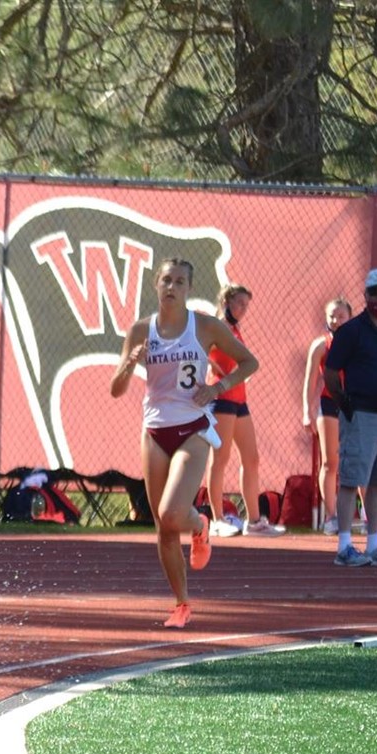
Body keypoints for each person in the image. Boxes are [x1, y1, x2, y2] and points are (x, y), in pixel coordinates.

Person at [110, 258, 260, 627]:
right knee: (162, 528)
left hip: (193, 427)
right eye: (166, 280)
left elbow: (249, 363)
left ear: (189, 288)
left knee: (172, 512)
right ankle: (181, 604)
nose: (172, 287)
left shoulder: (205, 326)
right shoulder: (142, 330)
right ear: (156, 285)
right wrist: (130, 362)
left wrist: (218, 387)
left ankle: (200, 524)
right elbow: (116, 390)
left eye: (179, 281)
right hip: (155, 429)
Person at [204, 284, 282, 536]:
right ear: (226, 301)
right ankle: (216, 519)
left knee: (252, 459)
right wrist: (213, 366)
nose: (243, 309)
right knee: (220, 459)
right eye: (239, 303)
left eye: (246, 305)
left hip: (240, 400)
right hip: (221, 398)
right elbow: (197, 350)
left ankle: (255, 521)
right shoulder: (216, 326)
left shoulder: (235, 329)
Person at [322, 267, 377, 567]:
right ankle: (344, 545)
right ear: (366, 296)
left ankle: (375, 543)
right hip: (361, 413)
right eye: (375, 292)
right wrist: (344, 403)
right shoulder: (352, 331)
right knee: (351, 479)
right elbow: (330, 372)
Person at [303, 298, 355, 533]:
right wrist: (307, 411)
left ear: (350, 317)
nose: (336, 320)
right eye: (332, 316)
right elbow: (310, 380)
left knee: (358, 461)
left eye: (341, 316)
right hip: (329, 404)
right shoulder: (321, 345)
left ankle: (367, 516)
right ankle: (331, 517)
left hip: (355, 406)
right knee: (330, 462)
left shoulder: (359, 343)